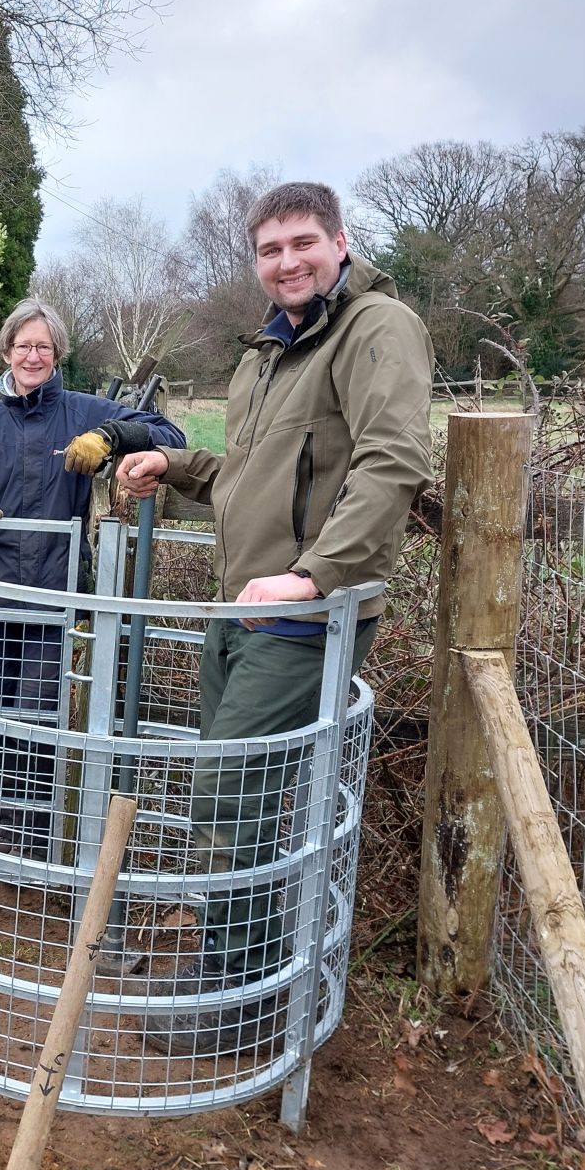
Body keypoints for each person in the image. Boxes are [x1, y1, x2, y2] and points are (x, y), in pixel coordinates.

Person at [109, 181, 433, 1055]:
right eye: (270, 250)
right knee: (240, 791)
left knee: (230, 790)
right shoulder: (268, 351)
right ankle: (234, 960)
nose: (286, 262)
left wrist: (314, 575)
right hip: (239, 601)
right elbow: (254, 473)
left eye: (302, 243)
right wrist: (172, 464)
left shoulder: (376, 329)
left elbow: (393, 459)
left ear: (339, 241)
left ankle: (243, 988)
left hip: (299, 612)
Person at [0, 299, 183, 859]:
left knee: (38, 715)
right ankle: (11, 836)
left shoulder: (80, 413)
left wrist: (112, 438)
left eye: (43, 346)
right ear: (6, 352)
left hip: (54, 594)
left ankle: (37, 847)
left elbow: (166, 430)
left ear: (57, 355)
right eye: (22, 345)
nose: (32, 355)